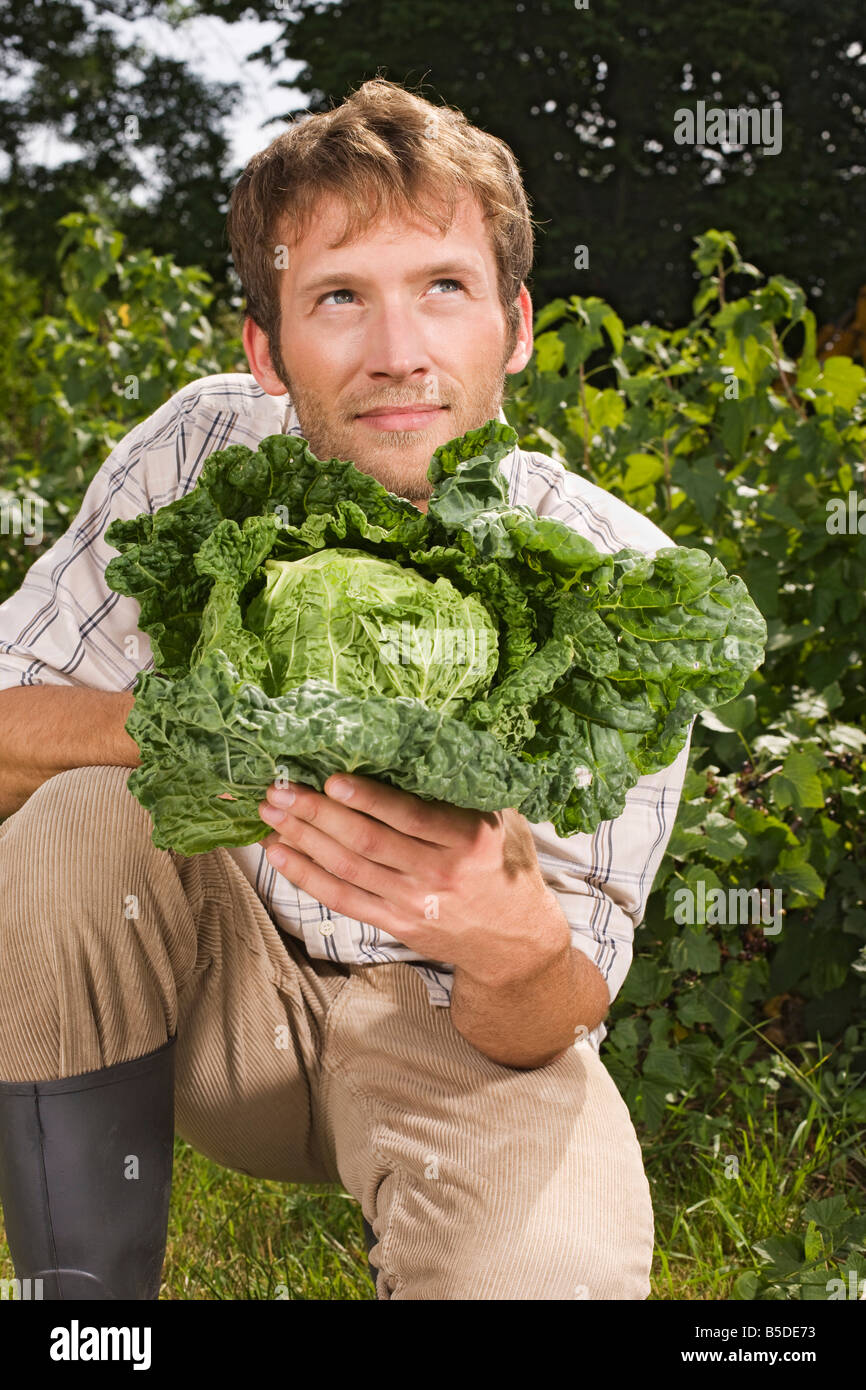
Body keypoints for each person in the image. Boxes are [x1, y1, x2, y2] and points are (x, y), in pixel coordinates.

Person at [0, 78, 691, 1300]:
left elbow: (549, 1013)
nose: (397, 355)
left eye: (441, 288)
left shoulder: (625, 586)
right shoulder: (197, 450)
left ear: (514, 324)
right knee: (67, 817)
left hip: (461, 1042)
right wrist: (188, 731)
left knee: (544, 1282)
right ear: (265, 348)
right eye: (338, 299)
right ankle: (85, 1316)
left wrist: (511, 946)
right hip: (224, 1006)